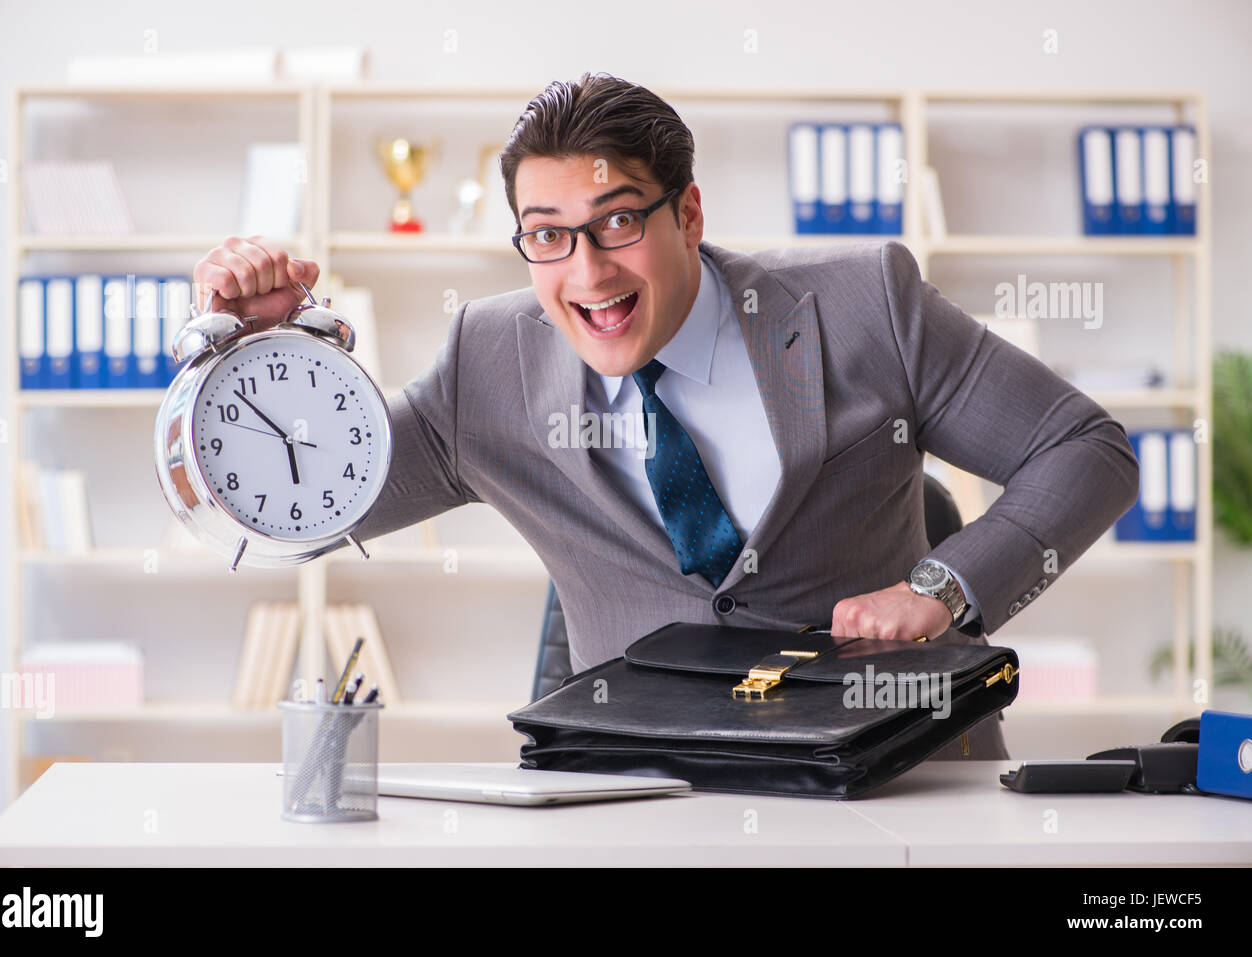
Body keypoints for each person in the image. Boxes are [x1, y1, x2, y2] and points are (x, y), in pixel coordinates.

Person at [193, 72, 1140, 761]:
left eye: (618, 221)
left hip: (894, 783)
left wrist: (942, 587)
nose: (589, 273)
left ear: (687, 213)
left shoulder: (863, 308)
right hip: (642, 803)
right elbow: (297, 513)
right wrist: (263, 366)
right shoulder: (489, 362)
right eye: (548, 234)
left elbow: (1085, 446)